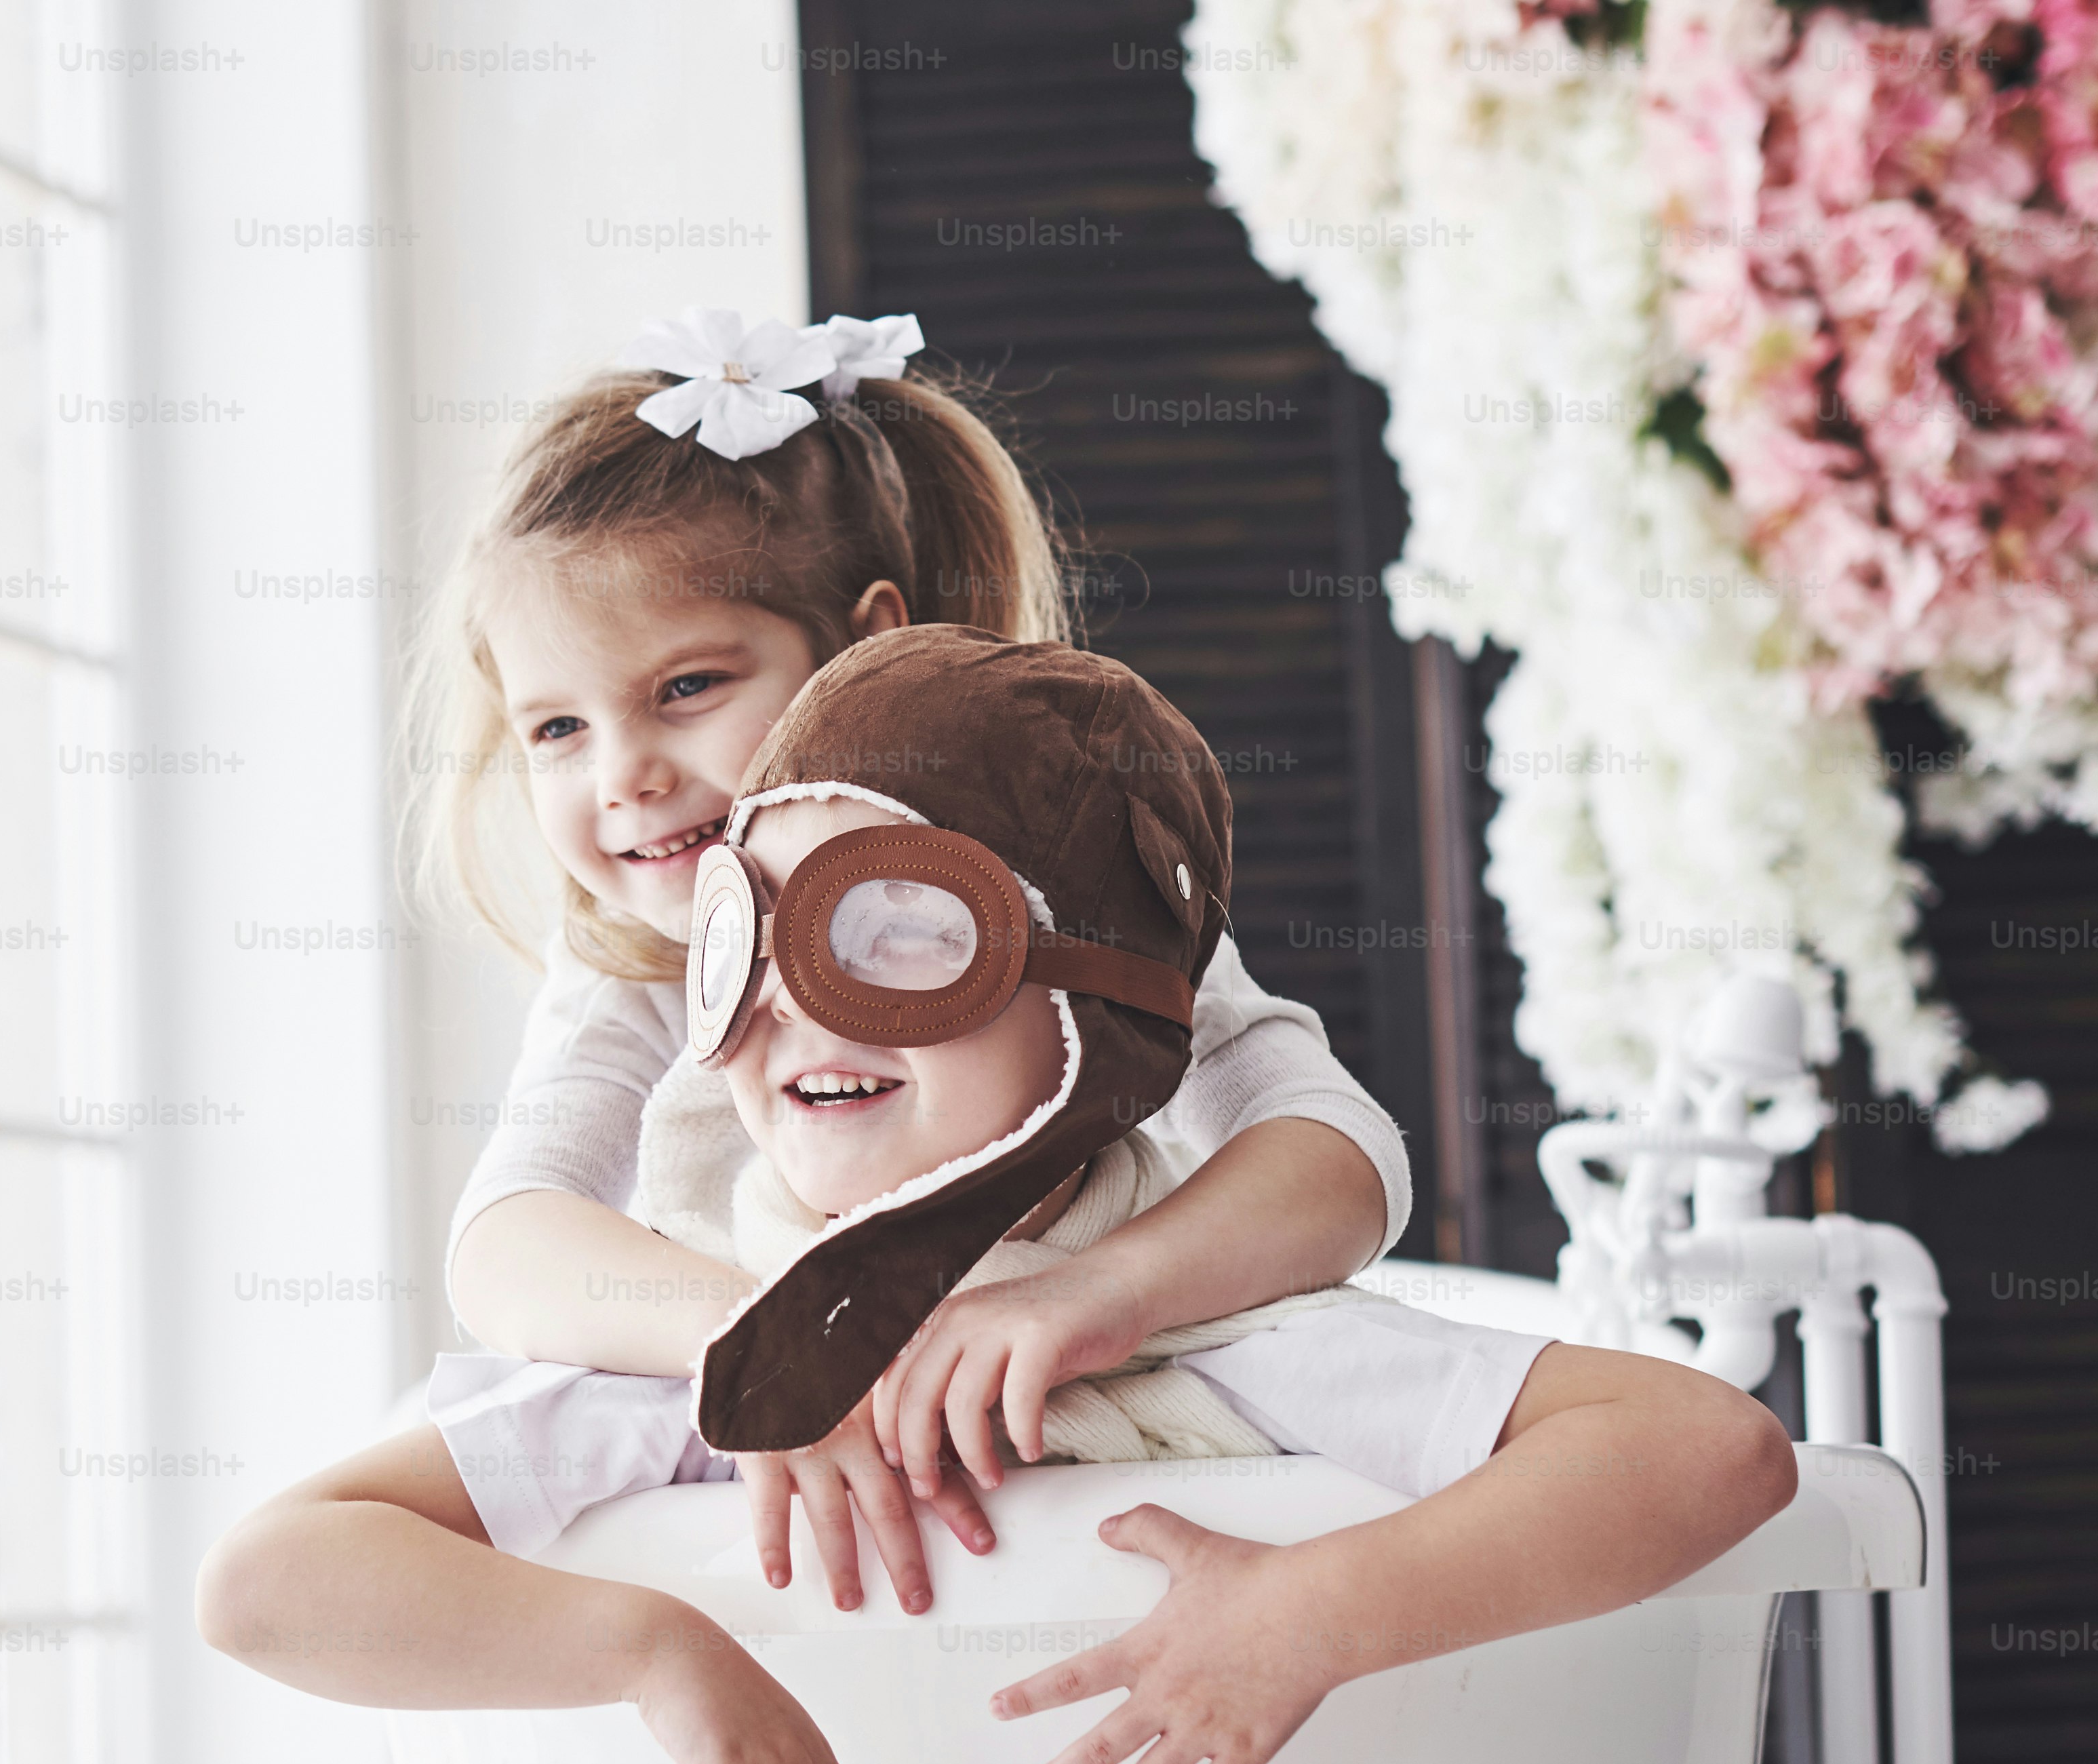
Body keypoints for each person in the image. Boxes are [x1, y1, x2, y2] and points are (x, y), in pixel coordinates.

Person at [203, 629, 1798, 1764]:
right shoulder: (694, 1386)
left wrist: (1316, 1609)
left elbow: (1711, 1451)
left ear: (1094, 1010)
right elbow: (273, 1579)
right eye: (738, 948)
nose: (787, 1010)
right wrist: (649, 1649)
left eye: (893, 937)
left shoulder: (1230, 1350)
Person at [420, 309, 1410, 1610]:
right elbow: (504, 1248)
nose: (625, 778)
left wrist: (1106, 1295)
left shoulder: (1056, 882)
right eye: (555, 725)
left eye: (685, 688)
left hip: (1074, 1444)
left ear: (864, 641)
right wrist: (787, 1352)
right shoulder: (627, 959)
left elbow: (1340, 1156)